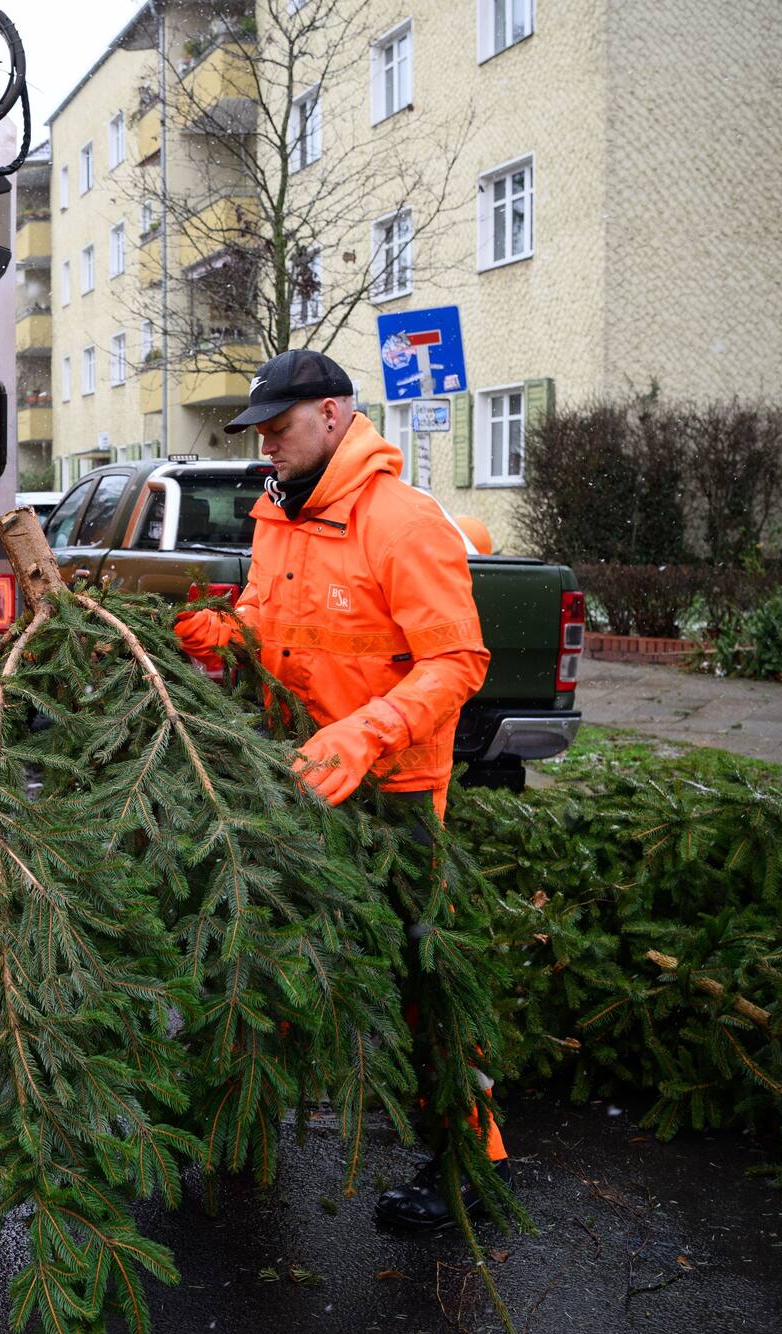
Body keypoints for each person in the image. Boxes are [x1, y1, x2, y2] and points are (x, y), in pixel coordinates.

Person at [173, 349, 509, 1228]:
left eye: (278, 429)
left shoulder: (401, 522)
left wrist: (365, 734)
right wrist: (208, 636)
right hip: (295, 779)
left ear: (331, 416)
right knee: (276, 954)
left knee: (416, 974)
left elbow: (458, 661)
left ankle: (467, 1161)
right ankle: (245, 1127)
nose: (266, 447)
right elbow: (268, 624)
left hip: (392, 790)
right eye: (258, 431)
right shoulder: (280, 517)